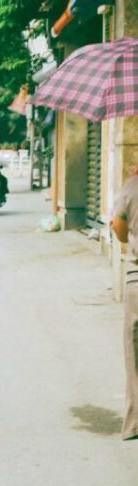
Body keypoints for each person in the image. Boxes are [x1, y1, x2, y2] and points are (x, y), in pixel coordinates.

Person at [110, 169, 138, 440]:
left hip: (136, 280)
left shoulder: (132, 185)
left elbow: (119, 228)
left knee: (135, 354)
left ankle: (135, 422)